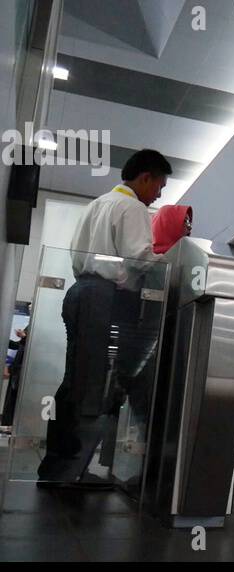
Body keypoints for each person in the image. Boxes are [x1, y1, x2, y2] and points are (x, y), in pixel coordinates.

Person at [37, 149, 172, 484]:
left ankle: (58, 465)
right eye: (159, 185)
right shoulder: (133, 207)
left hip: (80, 291)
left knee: (74, 382)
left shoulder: (97, 204)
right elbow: (139, 258)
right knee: (94, 385)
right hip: (103, 297)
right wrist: (171, 260)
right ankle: (70, 473)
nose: (159, 194)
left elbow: (78, 253)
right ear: (145, 178)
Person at [1, 327, 27, 427]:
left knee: (14, 402)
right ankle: (8, 426)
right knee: (10, 402)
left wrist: (24, 337)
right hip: (16, 371)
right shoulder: (30, 326)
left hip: (22, 373)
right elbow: (19, 345)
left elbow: (33, 347)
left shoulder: (36, 327)